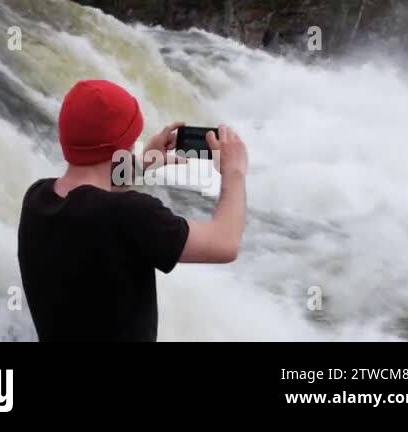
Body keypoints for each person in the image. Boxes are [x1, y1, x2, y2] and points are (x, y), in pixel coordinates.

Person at [18, 80, 248, 342]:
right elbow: (225, 243)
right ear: (120, 149)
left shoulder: (37, 199)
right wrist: (235, 172)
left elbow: (94, 193)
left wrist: (143, 164)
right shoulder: (132, 214)